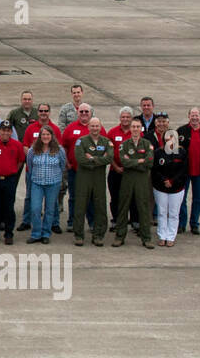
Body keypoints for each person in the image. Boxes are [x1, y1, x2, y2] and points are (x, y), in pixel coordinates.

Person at [113, 120, 155, 248]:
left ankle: (146, 238)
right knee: (123, 206)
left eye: (138, 126)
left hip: (142, 180)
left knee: (143, 207)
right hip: (128, 179)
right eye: (133, 127)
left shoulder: (147, 144)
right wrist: (140, 161)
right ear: (130, 128)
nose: (135, 129)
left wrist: (133, 162)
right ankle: (120, 236)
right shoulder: (124, 145)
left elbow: (149, 162)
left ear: (141, 129)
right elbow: (124, 163)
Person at [73, 117, 112, 247]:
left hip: (99, 179)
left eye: (97, 126)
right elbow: (80, 158)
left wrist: (92, 158)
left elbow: (109, 158)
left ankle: (99, 235)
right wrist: (100, 159)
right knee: (80, 205)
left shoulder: (106, 142)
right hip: (84, 178)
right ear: (88, 127)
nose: (95, 128)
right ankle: (78, 235)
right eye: (92, 126)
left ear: (100, 127)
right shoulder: (81, 141)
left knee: (100, 206)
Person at [0, 120, 25, 244]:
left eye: (8, 131)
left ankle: (8, 234)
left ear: (11, 132)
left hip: (9, 180)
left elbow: (20, 161)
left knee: (8, 208)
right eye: (3, 130)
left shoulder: (17, 145)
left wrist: (11, 171)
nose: (6, 133)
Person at [25, 127, 67, 244]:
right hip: (37, 183)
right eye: (43, 134)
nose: (45, 137)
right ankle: (36, 233)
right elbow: (30, 165)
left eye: (48, 134)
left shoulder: (59, 150)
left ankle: (46, 233)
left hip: (53, 184)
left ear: (52, 136)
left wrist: (57, 178)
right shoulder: (33, 150)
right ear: (40, 136)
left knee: (50, 209)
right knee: (35, 209)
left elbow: (62, 165)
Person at [177, 107, 200, 234]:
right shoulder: (181, 131)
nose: (194, 117)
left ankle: (194, 224)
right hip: (184, 172)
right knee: (182, 199)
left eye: (196, 115)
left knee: (198, 199)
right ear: (188, 116)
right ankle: (181, 224)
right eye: (192, 115)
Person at [61, 102, 94, 233]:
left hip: (91, 172)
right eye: (81, 112)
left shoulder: (96, 127)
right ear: (77, 113)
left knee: (91, 197)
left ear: (91, 113)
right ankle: (71, 222)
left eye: (86, 112)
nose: (84, 114)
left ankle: (92, 222)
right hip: (74, 170)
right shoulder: (70, 128)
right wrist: (67, 163)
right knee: (74, 197)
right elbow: (63, 147)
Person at [152, 130, 189, 246]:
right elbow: (155, 169)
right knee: (162, 212)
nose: (169, 140)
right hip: (161, 188)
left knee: (173, 213)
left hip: (177, 188)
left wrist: (172, 181)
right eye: (167, 138)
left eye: (172, 137)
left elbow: (183, 170)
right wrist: (164, 180)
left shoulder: (182, 152)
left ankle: (171, 237)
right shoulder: (158, 152)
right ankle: (162, 236)